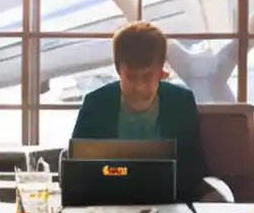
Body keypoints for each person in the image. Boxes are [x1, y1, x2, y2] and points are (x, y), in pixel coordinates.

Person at [70, 21, 211, 201]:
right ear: (118, 70)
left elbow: (196, 169)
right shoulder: (95, 104)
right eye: (131, 76)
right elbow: (76, 170)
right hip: (106, 206)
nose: (139, 86)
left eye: (147, 76)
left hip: (171, 206)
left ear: (162, 72)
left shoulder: (181, 103)